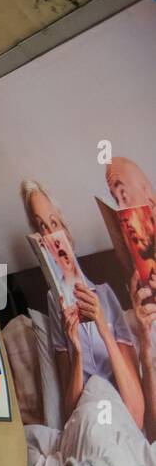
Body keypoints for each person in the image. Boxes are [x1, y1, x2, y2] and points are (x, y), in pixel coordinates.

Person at [19, 180, 144, 429]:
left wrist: (102, 326)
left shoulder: (107, 296)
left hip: (120, 419)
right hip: (85, 422)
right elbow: (69, 412)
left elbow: (136, 413)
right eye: (40, 227)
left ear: (65, 231)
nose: (48, 234)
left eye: (53, 223)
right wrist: (75, 350)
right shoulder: (56, 305)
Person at [105, 157, 156, 440]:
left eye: (123, 195)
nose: (126, 220)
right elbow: (152, 433)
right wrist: (146, 349)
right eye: (115, 199)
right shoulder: (136, 318)